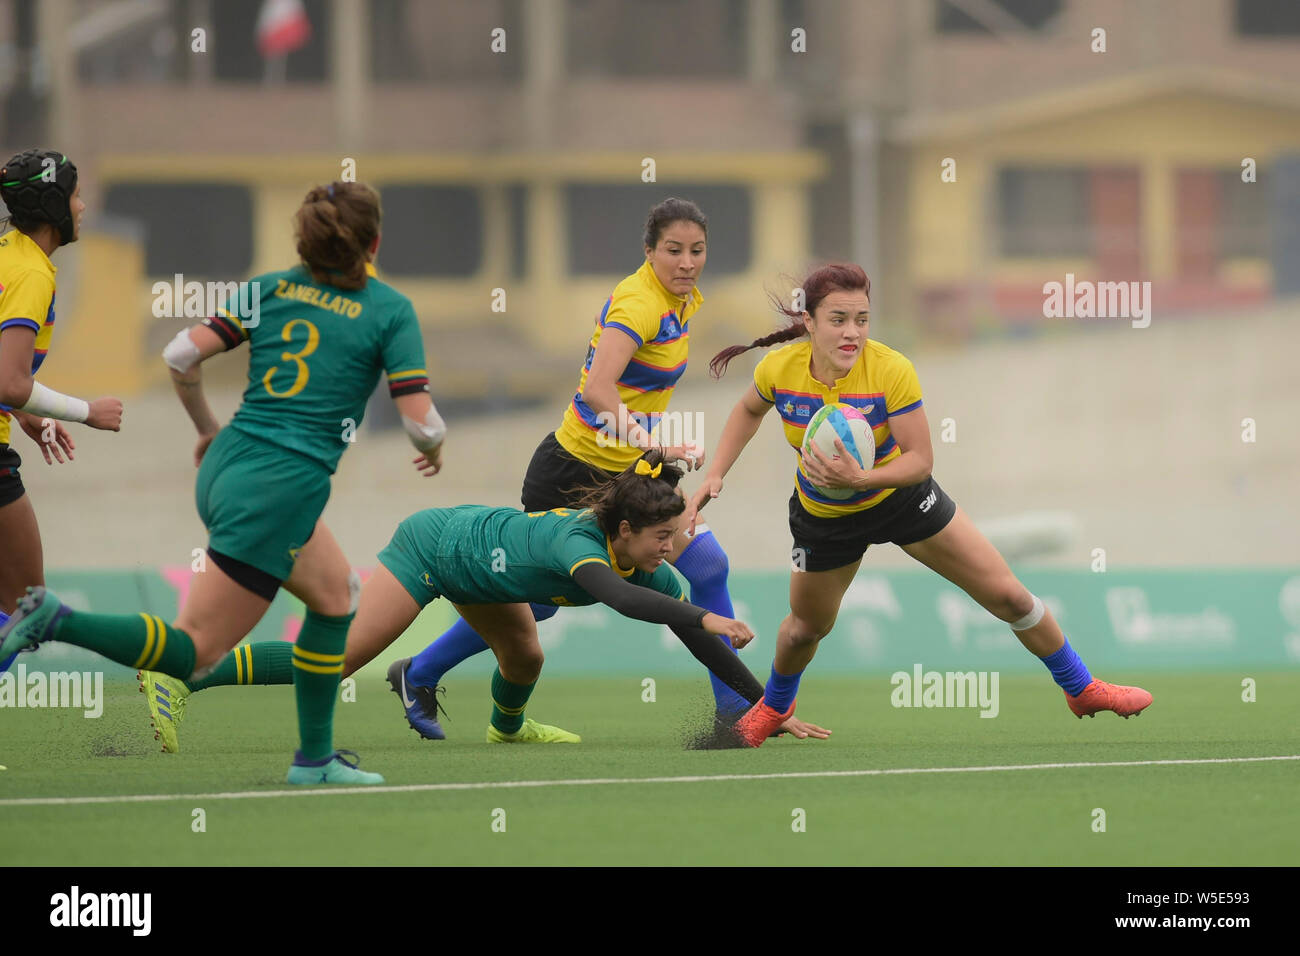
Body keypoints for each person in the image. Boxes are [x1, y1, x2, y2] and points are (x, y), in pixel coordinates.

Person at [0, 181, 447, 784]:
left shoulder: (268, 288)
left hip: (227, 464)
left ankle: (315, 761)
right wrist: (435, 445)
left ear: (304, 241)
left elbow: (181, 354)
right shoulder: (388, 309)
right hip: (280, 488)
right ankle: (55, 618)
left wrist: (207, 427)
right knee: (197, 651)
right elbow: (419, 425)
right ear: (375, 242)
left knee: (336, 595)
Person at [385, 197, 819, 740]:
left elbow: (636, 392)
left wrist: (657, 453)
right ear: (649, 250)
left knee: (706, 567)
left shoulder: (680, 300)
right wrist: (649, 442)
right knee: (538, 603)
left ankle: (737, 711)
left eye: (697, 251)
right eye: (673, 251)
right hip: (575, 471)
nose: (687, 262)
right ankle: (420, 672)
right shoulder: (639, 302)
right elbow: (596, 389)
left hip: (630, 471)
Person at [685, 263, 1153, 745]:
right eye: (838, 319)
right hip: (825, 517)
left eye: (862, 319)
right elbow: (747, 409)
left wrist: (862, 477)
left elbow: (920, 461)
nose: (852, 333)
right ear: (809, 321)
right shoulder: (778, 369)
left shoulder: (891, 369)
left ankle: (1082, 687)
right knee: (804, 630)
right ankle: (775, 707)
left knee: (1009, 596)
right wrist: (716, 473)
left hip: (902, 499)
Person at [131, 451, 781, 757]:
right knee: (333, 662)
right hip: (434, 548)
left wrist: (765, 707)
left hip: (483, 576)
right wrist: (707, 612)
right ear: (625, 532)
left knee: (524, 657)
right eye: (663, 537)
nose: (674, 548)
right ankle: (187, 672)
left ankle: (506, 727)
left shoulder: (643, 558)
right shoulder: (578, 544)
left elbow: (694, 638)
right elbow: (620, 600)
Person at [0, 149, 124, 650]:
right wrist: (87, 412)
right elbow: (8, 381)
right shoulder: (32, 274)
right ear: (53, 205)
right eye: (75, 195)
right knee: (28, 610)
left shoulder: (6, 250)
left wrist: (26, 411)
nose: (82, 206)